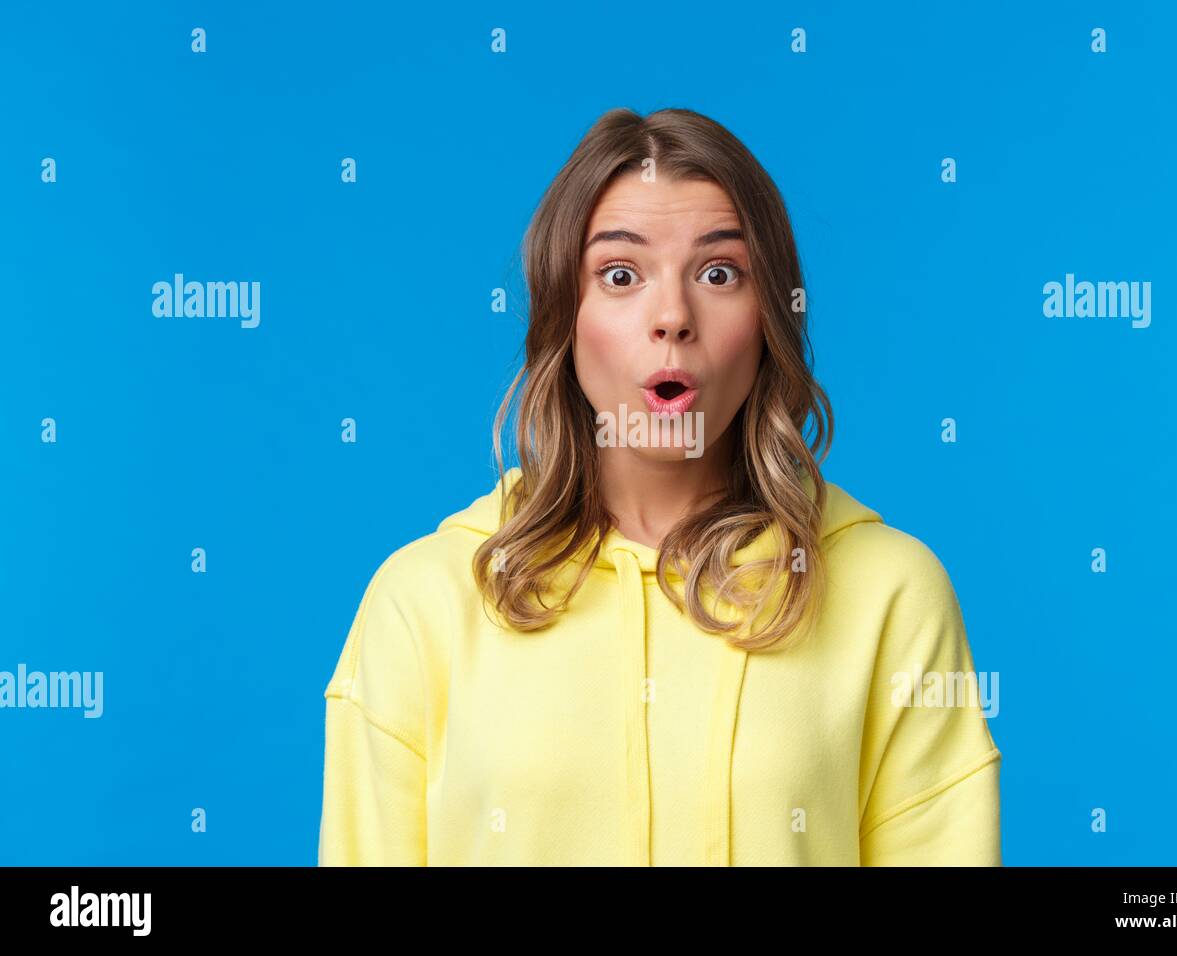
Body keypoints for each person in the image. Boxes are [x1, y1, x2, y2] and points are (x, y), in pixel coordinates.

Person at [317, 107, 1002, 866]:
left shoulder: (891, 591)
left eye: (718, 274)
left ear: (769, 314)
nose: (673, 316)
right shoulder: (423, 602)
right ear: (562, 317)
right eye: (619, 275)